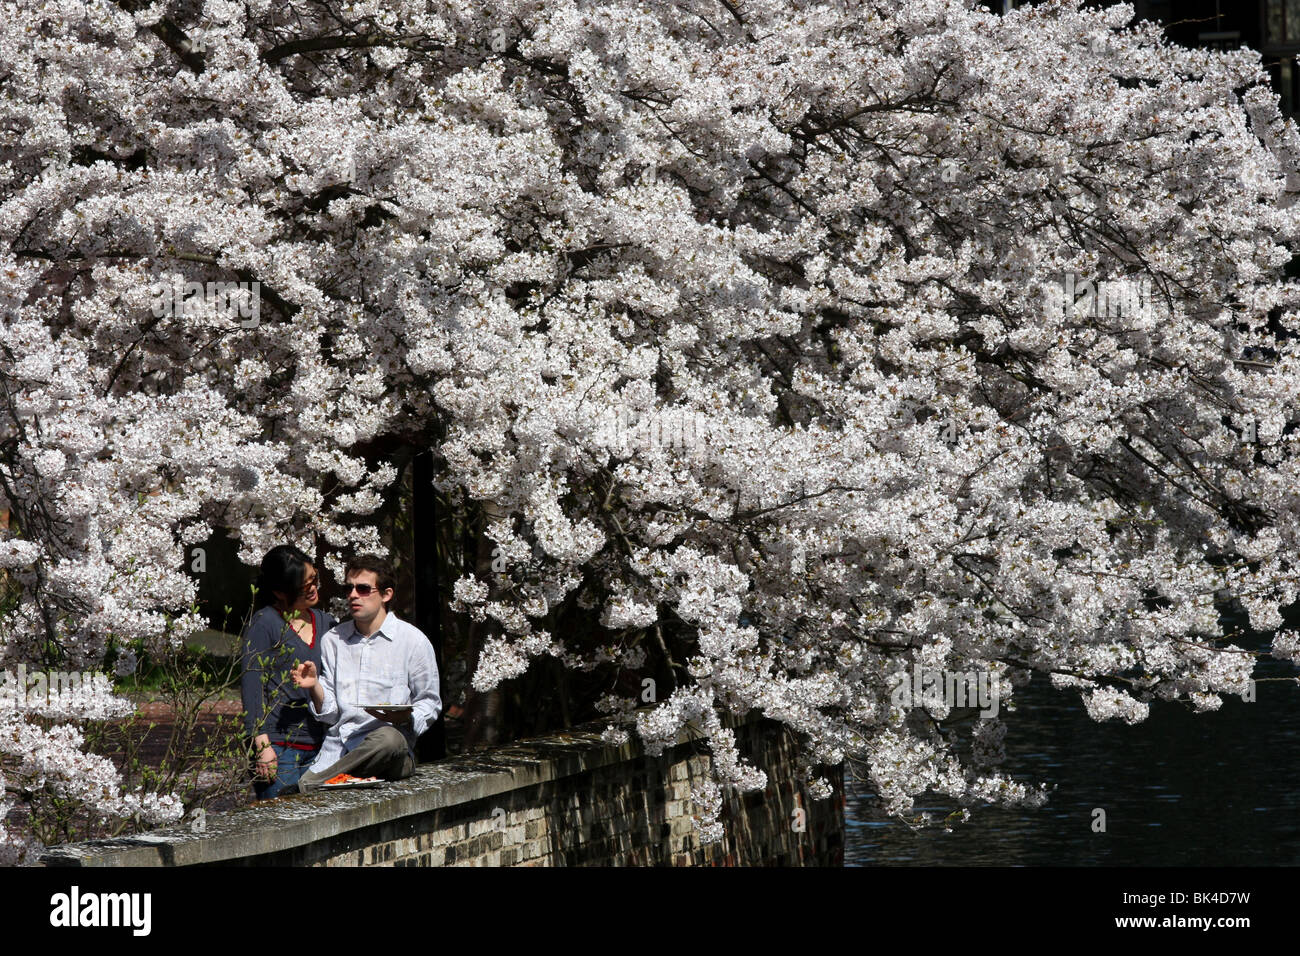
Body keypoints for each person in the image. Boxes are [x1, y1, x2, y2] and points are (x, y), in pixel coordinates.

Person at [291, 555, 441, 793]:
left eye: (362, 589)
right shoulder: (333, 641)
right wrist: (315, 686)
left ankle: (315, 784)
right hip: (338, 750)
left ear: (386, 594)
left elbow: (430, 702)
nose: (352, 595)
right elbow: (330, 715)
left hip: (391, 752)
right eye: (348, 588)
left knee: (389, 739)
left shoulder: (413, 641)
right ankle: (330, 778)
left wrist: (407, 719)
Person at [240, 545, 333, 800]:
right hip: (280, 749)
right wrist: (262, 745)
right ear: (280, 592)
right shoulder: (266, 623)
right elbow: (252, 686)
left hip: (321, 746)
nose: (313, 588)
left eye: (314, 579)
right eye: (304, 587)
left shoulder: (325, 622)